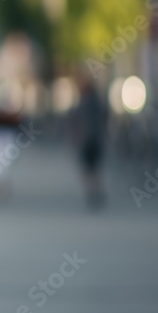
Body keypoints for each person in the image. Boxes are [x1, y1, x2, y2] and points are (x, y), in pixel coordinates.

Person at [71, 70, 107, 209]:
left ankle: (93, 191)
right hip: (90, 138)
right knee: (90, 167)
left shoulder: (90, 100)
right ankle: (92, 191)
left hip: (91, 138)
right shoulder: (89, 99)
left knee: (91, 166)